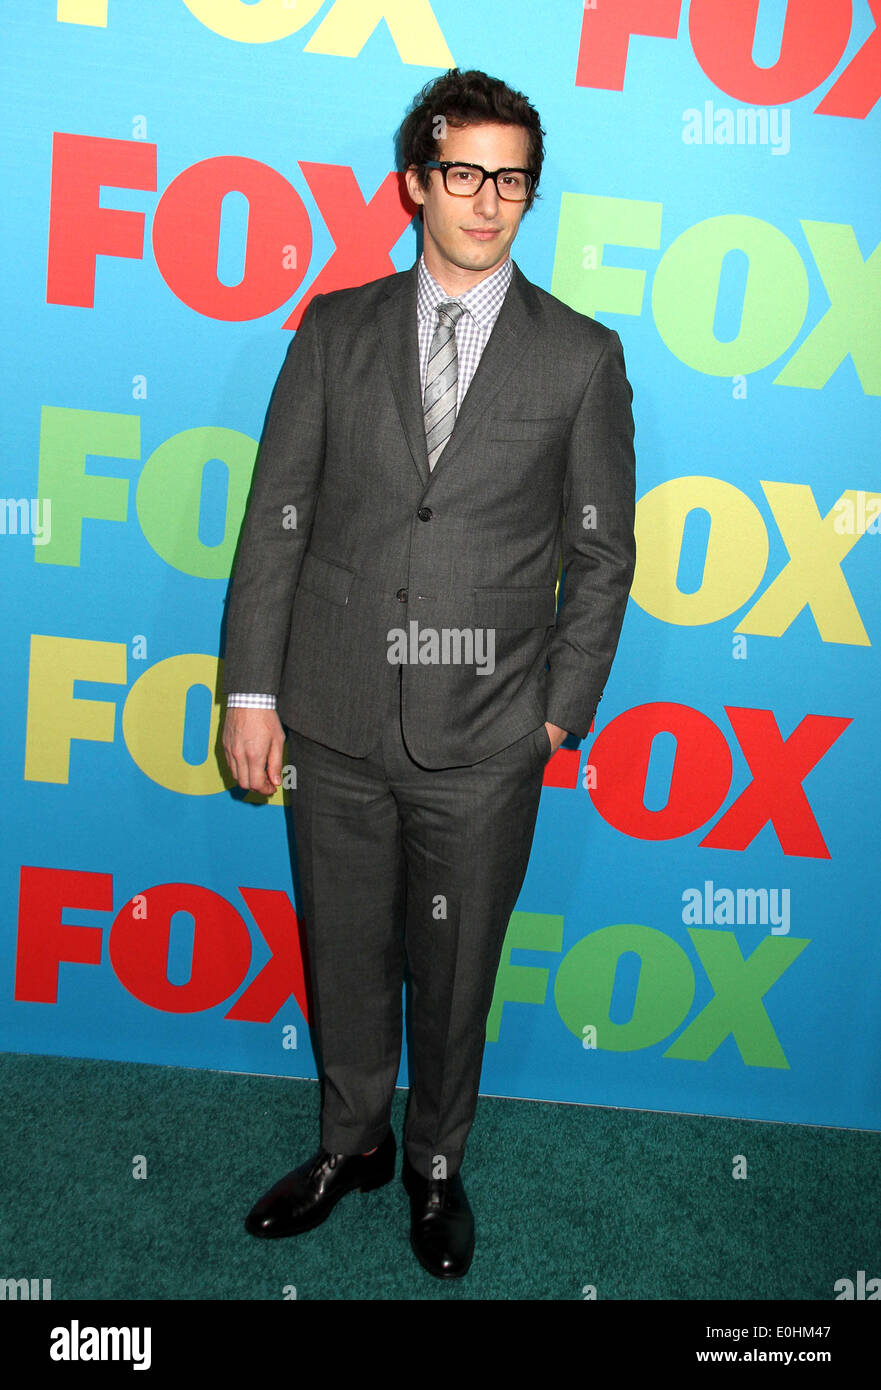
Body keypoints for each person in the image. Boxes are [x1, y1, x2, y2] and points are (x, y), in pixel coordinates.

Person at [221, 68, 636, 1280]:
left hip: (488, 737)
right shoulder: (335, 327)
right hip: (333, 712)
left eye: (511, 178)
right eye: (463, 173)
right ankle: (350, 1144)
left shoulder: (578, 357)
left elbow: (601, 553)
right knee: (342, 948)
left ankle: (434, 1165)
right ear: (415, 182)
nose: (487, 200)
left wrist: (555, 717)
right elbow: (275, 520)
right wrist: (253, 690)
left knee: (453, 976)